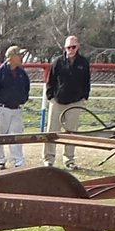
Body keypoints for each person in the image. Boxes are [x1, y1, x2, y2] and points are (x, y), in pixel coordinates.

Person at [45, 35, 91, 168]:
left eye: (73, 47)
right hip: (57, 101)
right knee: (51, 132)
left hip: (75, 102)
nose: (71, 49)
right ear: (64, 48)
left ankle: (69, 160)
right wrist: (50, 97)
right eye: (68, 47)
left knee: (72, 133)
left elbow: (87, 81)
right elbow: (50, 81)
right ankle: (49, 159)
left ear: (78, 47)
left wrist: (84, 97)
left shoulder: (83, 63)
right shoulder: (57, 62)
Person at [0, 46, 31, 169]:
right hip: (2, 108)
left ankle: (18, 161)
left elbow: (26, 89)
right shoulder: (0, 72)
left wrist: (22, 99)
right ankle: (0, 161)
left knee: (16, 135)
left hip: (16, 109)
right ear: (11, 57)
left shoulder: (22, 73)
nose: (21, 57)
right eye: (19, 55)